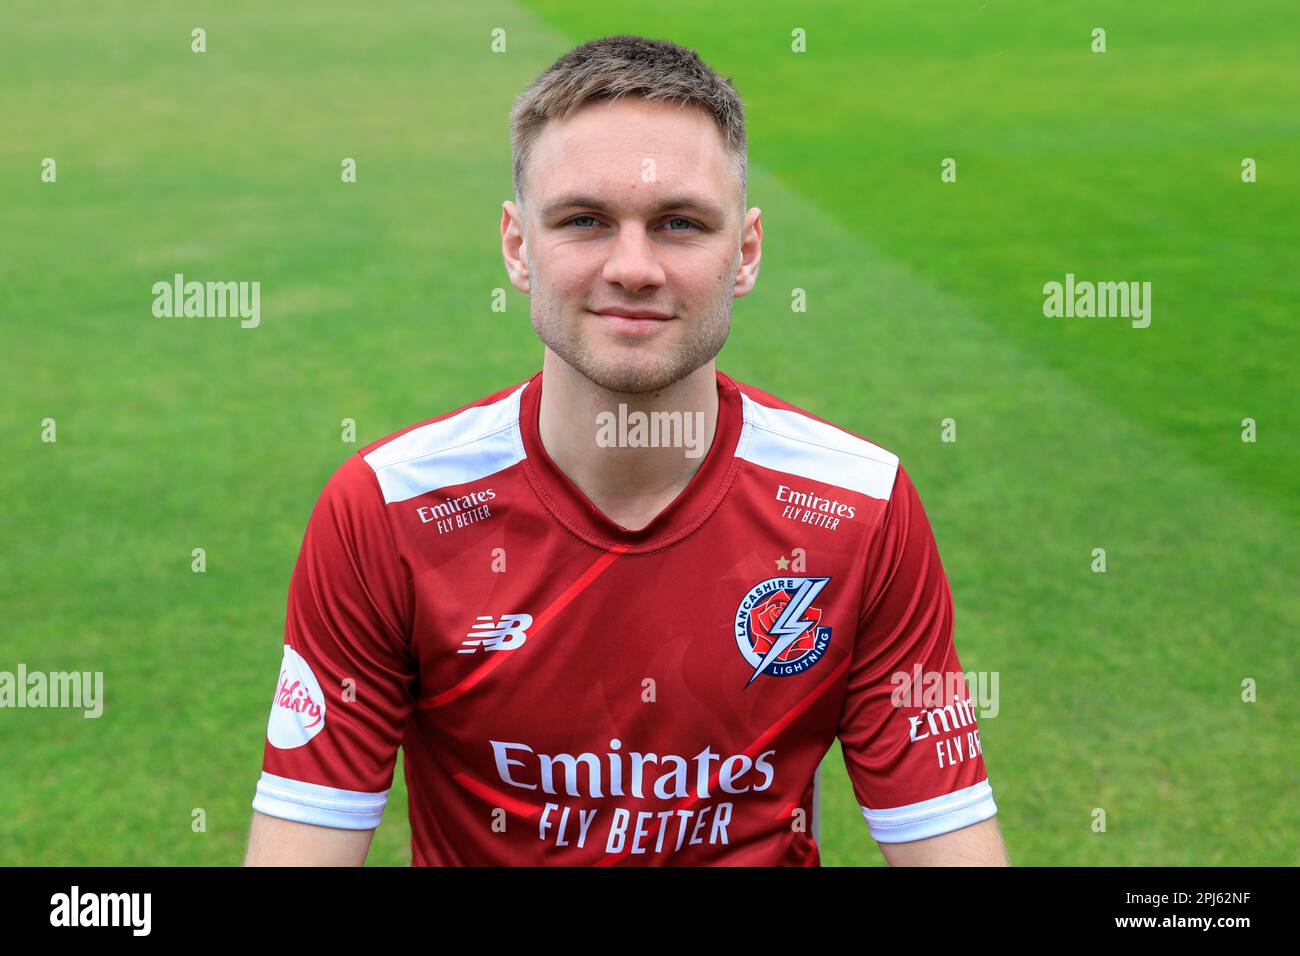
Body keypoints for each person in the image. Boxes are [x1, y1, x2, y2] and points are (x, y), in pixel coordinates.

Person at [244, 34, 1008, 866]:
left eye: (680, 223)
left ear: (745, 253)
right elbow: (302, 842)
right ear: (516, 246)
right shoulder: (386, 512)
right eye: (584, 221)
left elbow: (948, 841)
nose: (633, 268)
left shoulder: (860, 509)